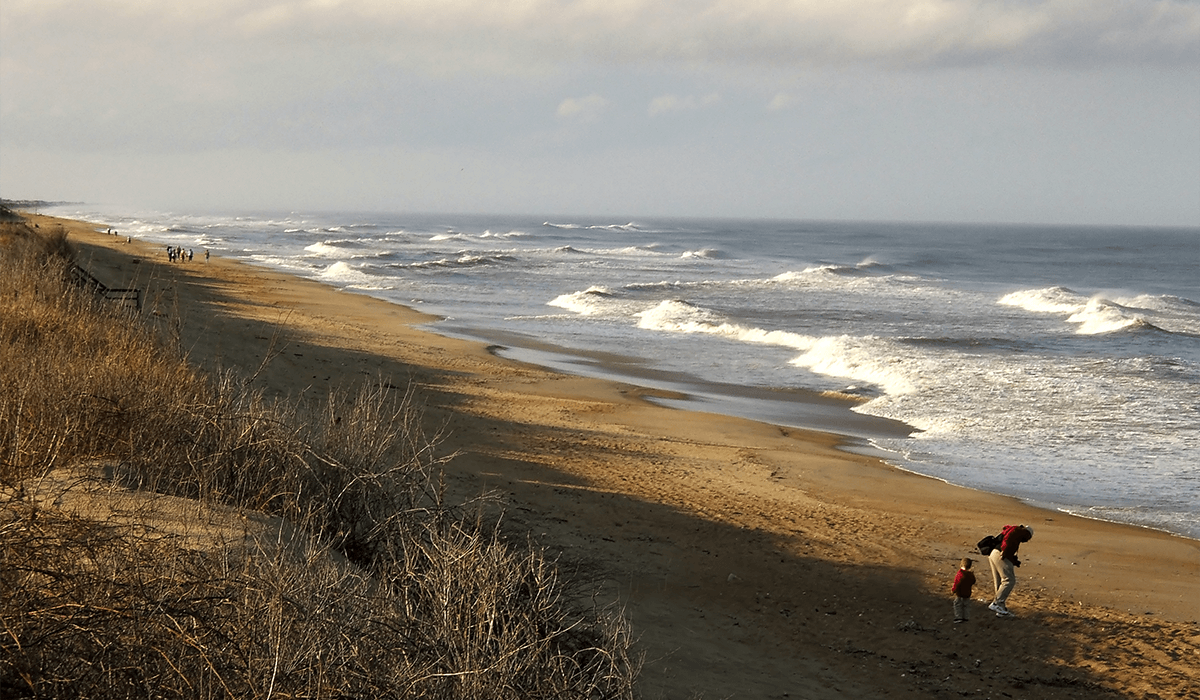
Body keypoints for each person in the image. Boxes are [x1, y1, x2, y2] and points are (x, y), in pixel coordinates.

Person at [988, 524, 1033, 617]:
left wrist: (1014, 561)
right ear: (1028, 534)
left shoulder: (1012, 531)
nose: (1027, 541)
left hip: (993, 553)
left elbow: (1008, 543)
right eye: (1028, 538)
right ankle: (997, 604)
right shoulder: (1019, 532)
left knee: (1000, 582)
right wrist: (1004, 552)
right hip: (1000, 554)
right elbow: (1009, 542)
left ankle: (1000, 608)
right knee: (1009, 580)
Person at [951, 557, 976, 623]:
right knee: (966, 605)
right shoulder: (970, 575)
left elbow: (956, 582)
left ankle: (958, 617)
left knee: (957, 604)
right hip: (967, 593)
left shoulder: (960, 574)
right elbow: (973, 581)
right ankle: (966, 617)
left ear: (961, 565)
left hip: (959, 593)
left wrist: (953, 590)